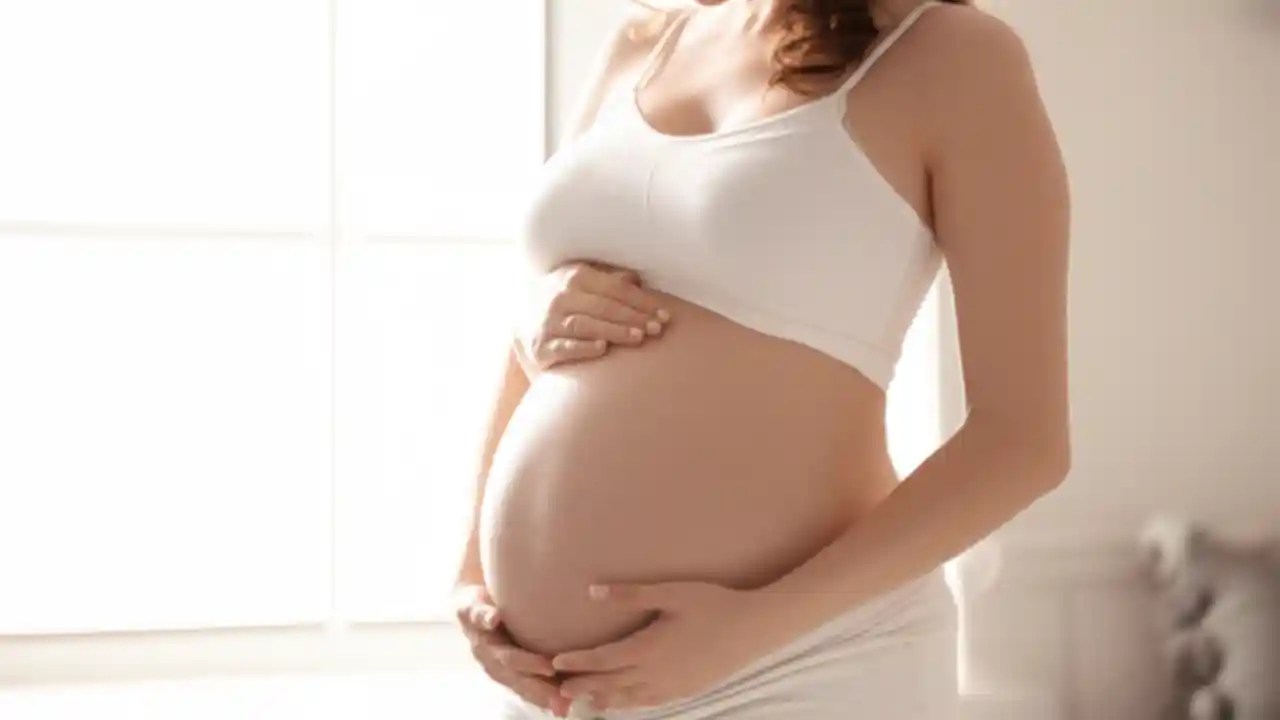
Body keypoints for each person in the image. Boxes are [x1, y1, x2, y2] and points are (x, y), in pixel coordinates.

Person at [453, 0, 1071, 717]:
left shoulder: (952, 54)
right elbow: (533, 346)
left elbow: (1023, 442)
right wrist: (471, 577)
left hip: (803, 664)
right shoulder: (640, 43)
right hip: (554, 687)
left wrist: (751, 629)